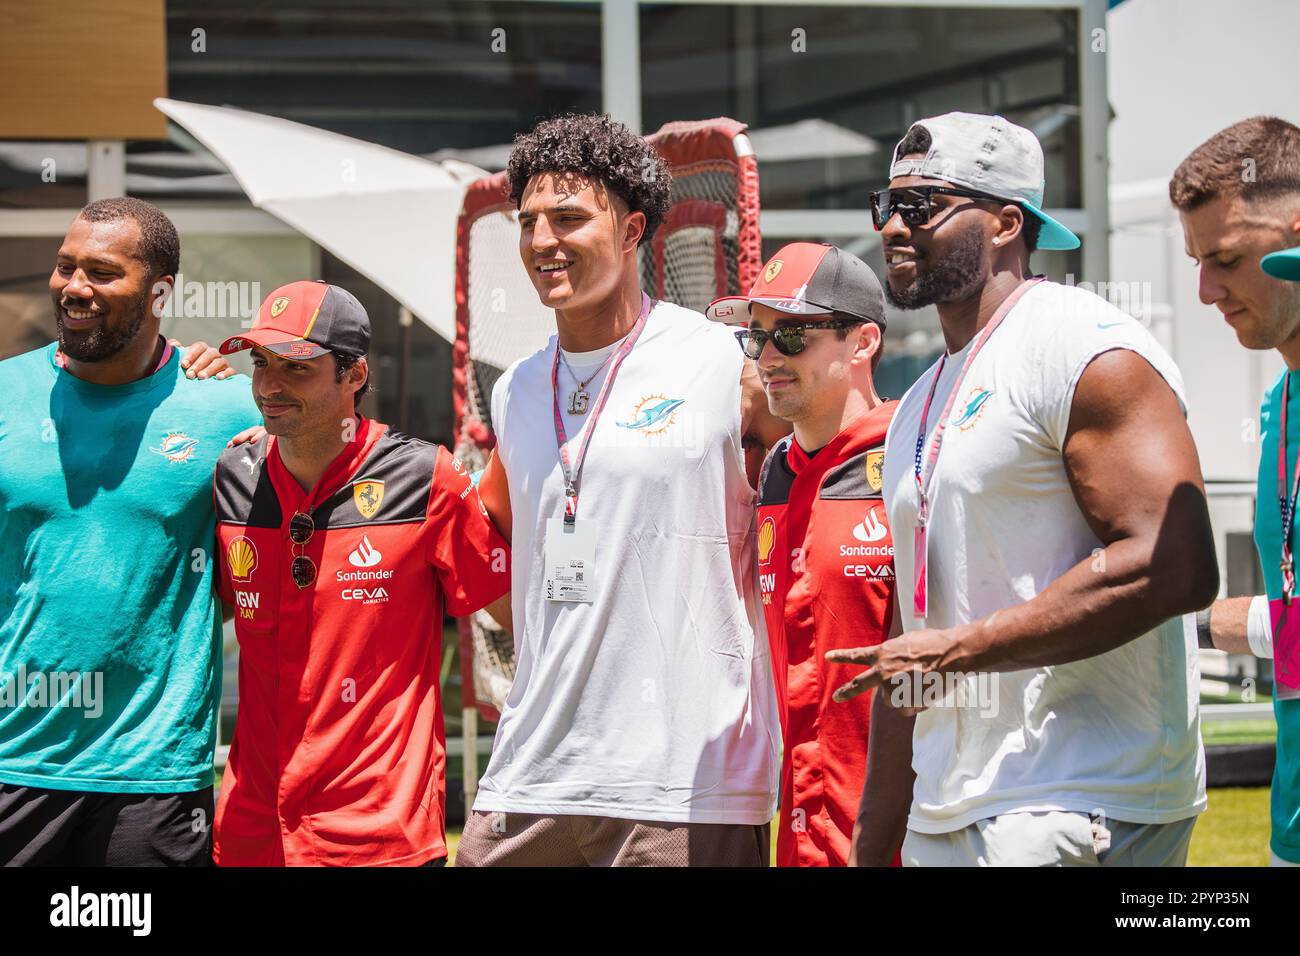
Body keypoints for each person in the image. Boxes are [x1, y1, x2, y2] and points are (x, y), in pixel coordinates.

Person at [836, 112, 1219, 867]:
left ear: (1007, 221)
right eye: (887, 206)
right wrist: (874, 841)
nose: (892, 228)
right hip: (953, 799)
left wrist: (963, 650)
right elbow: (917, 644)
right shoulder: (920, 401)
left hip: (1078, 799)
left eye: (922, 207)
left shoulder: (1082, 345)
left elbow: (1174, 562)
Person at [458, 112, 789, 867]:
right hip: (532, 771)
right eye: (529, 222)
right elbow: (497, 546)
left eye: (570, 218)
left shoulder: (723, 364)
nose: (543, 242)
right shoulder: (513, 389)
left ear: (634, 229)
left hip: (681, 783)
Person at [211, 281, 511, 866]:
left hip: (377, 837)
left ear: (354, 376)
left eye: (297, 368)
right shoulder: (232, 475)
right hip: (252, 833)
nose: (270, 385)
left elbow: (518, 614)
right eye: (261, 364)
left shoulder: (426, 478)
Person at [0, 197, 255, 866]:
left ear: (162, 291)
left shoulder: (226, 408)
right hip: (17, 760)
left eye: (102, 272)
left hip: (154, 774)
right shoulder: (4, 396)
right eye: (65, 268)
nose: (76, 288)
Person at [707, 242, 898, 867]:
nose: (765, 356)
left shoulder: (914, 460)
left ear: (862, 342)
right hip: (800, 842)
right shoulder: (775, 476)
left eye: (792, 335)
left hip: (905, 842)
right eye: (755, 337)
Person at [1172, 116, 1300, 868]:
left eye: (1225, 258)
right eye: (1196, 260)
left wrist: (1202, 625)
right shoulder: (1277, 407)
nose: (1204, 290)